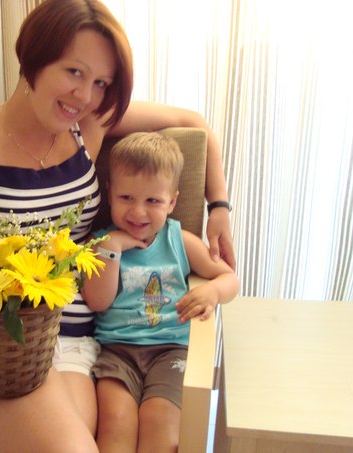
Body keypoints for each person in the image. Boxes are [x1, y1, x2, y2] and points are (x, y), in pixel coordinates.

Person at [0, 0, 235, 451]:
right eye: (74, 72)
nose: (85, 96)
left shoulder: (87, 129)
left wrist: (219, 207)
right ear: (34, 56)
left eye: (100, 83)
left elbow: (195, 125)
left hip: (75, 341)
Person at [81, 132, 240, 453]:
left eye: (152, 201)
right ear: (110, 194)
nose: (138, 212)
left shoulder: (178, 240)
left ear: (172, 202)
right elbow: (97, 302)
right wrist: (112, 248)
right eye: (127, 197)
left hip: (170, 351)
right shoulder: (100, 245)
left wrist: (212, 292)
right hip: (117, 352)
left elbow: (230, 278)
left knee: (162, 426)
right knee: (116, 425)